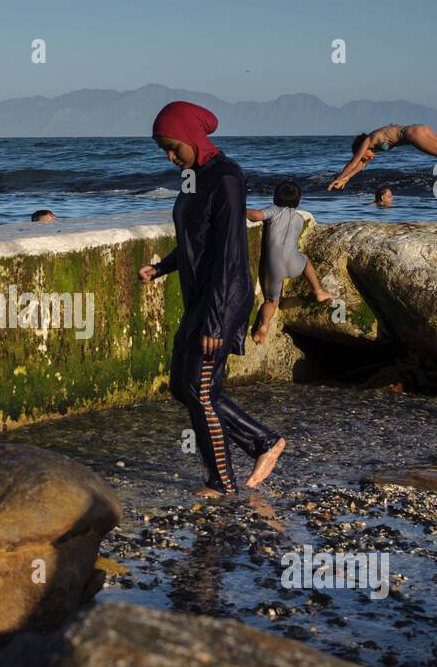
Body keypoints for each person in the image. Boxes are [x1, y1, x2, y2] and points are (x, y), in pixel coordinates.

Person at [137, 101, 285, 495]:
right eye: (163, 150)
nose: (170, 157)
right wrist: (161, 267)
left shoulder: (226, 178)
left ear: (192, 137)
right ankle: (264, 442)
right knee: (183, 387)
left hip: (223, 301)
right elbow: (195, 242)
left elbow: (229, 252)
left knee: (200, 393)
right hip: (201, 300)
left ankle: (221, 482)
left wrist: (216, 322)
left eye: (173, 147)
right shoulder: (193, 178)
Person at [246, 181, 334, 345]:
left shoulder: (274, 210)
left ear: (274, 199)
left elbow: (256, 215)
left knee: (271, 301)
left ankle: (264, 326)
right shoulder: (299, 218)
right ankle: (318, 291)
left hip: (274, 266)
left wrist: (239, 209)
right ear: (299, 202)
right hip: (295, 264)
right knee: (306, 260)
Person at [328, 124, 437, 192]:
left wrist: (338, 178)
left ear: (360, 149)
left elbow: (354, 162)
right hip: (418, 129)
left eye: (364, 156)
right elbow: (360, 166)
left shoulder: (368, 141)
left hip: (412, 134)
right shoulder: (374, 145)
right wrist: (347, 178)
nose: (367, 159)